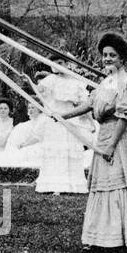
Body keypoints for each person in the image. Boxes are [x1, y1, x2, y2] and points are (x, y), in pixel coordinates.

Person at [56, 31, 127, 251]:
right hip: (104, 136)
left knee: (118, 187)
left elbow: (125, 116)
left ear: (123, 59)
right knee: (103, 188)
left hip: (121, 139)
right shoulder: (106, 81)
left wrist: (111, 145)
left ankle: (121, 238)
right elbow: (90, 103)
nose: (107, 59)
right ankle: (102, 238)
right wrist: (62, 115)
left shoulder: (126, 82)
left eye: (113, 55)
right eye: (105, 55)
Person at [33, 59, 90, 195]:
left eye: (60, 62)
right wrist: (29, 80)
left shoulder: (77, 81)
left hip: (71, 120)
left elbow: (84, 104)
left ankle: (74, 186)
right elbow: (38, 91)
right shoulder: (50, 80)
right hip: (55, 120)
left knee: (69, 150)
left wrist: (87, 121)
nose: (56, 65)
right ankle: (54, 185)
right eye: (52, 62)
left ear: (67, 64)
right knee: (56, 151)